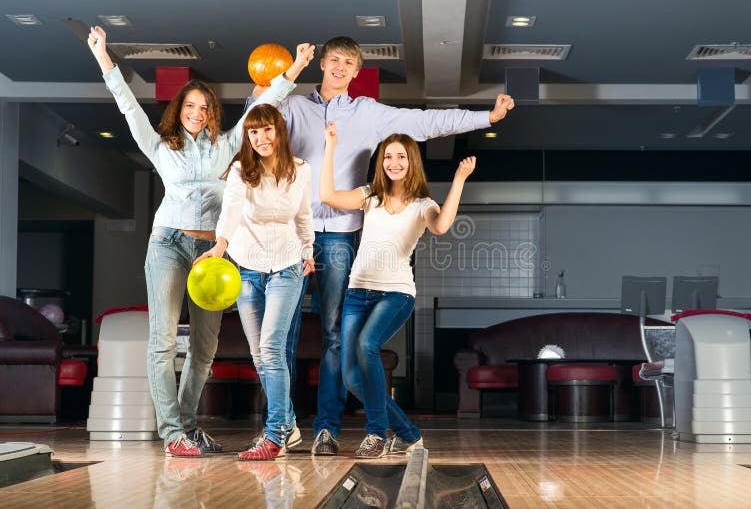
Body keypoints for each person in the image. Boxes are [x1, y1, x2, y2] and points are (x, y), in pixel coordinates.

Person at [249, 36, 514, 455]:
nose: (339, 67)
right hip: (289, 233)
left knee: (335, 337)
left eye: (348, 63)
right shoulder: (293, 105)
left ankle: (327, 428)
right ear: (321, 63)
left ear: (357, 72)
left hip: (339, 235)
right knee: (279, 338)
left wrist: (486, 117)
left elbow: (426, 124)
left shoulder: (368, 113)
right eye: (333, 59)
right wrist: (286, 75)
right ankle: (280, 426)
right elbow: (253, 122)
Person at [87, 25, 314, 457]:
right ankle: (173, 433)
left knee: (206, 348)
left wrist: (297, 68)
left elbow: (264, 107)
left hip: (213, 252)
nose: (197, 112)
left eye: (205, 107)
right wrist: (103, 56)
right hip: (168, 244)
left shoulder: (229, 145)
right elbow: (127, 105)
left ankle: (188, 427)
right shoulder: (159, 146)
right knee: (164, 342)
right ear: (180, 109)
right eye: (190, 105)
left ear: (212, 113)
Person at [319, 122, 475, 458]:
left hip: (396, 294)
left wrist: (459, 181)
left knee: (367, 344)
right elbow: (327, 196)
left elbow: (442, 226)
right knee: (350, 378)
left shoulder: (423, 204)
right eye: (388, 156)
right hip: (357, 293)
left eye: (401, 156)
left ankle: (375, 434)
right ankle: (408, 434)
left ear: (411, 161)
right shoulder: (370, 196)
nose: (394, 162)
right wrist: (331, 145)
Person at [194, 104, 314, 460]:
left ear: (279, 131)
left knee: (272, 349)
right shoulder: (240, 171)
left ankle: (275, 435)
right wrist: (221, 243)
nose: (261, 138)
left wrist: (309, 250)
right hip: (246, 266)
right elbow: (230, 208)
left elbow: (304, 213)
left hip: (287, 266)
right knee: (259, 355)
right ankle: (289, 425)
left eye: (266, 130)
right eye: (253, 132)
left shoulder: (301, 170)